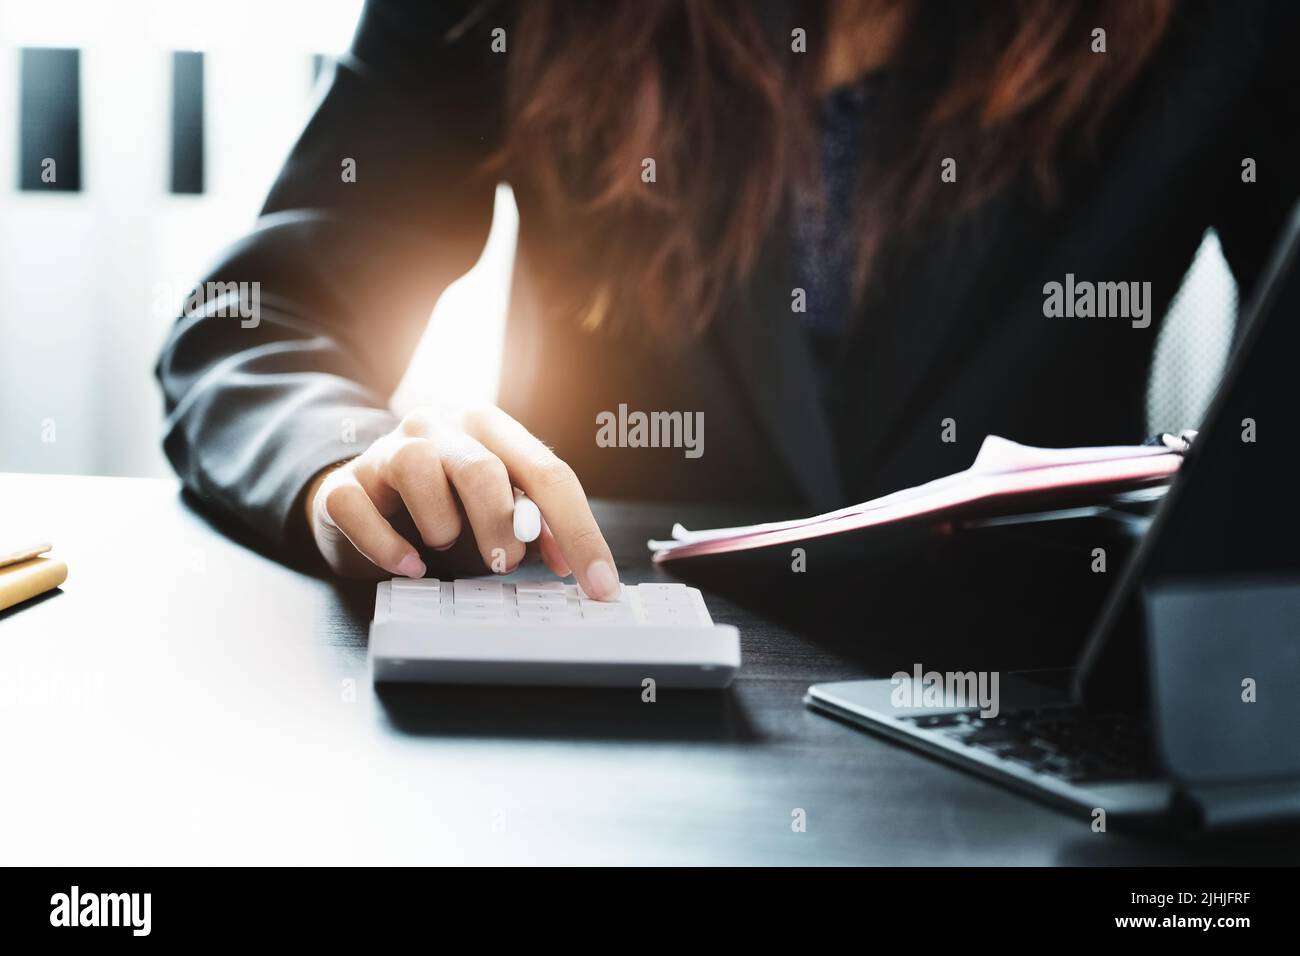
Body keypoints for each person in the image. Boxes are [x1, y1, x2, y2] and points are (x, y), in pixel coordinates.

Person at [155, 0, 1299, 601]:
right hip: (610, 687)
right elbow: (259, 321)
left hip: (1044, 720)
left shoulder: (1212, 23)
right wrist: (346, 468)